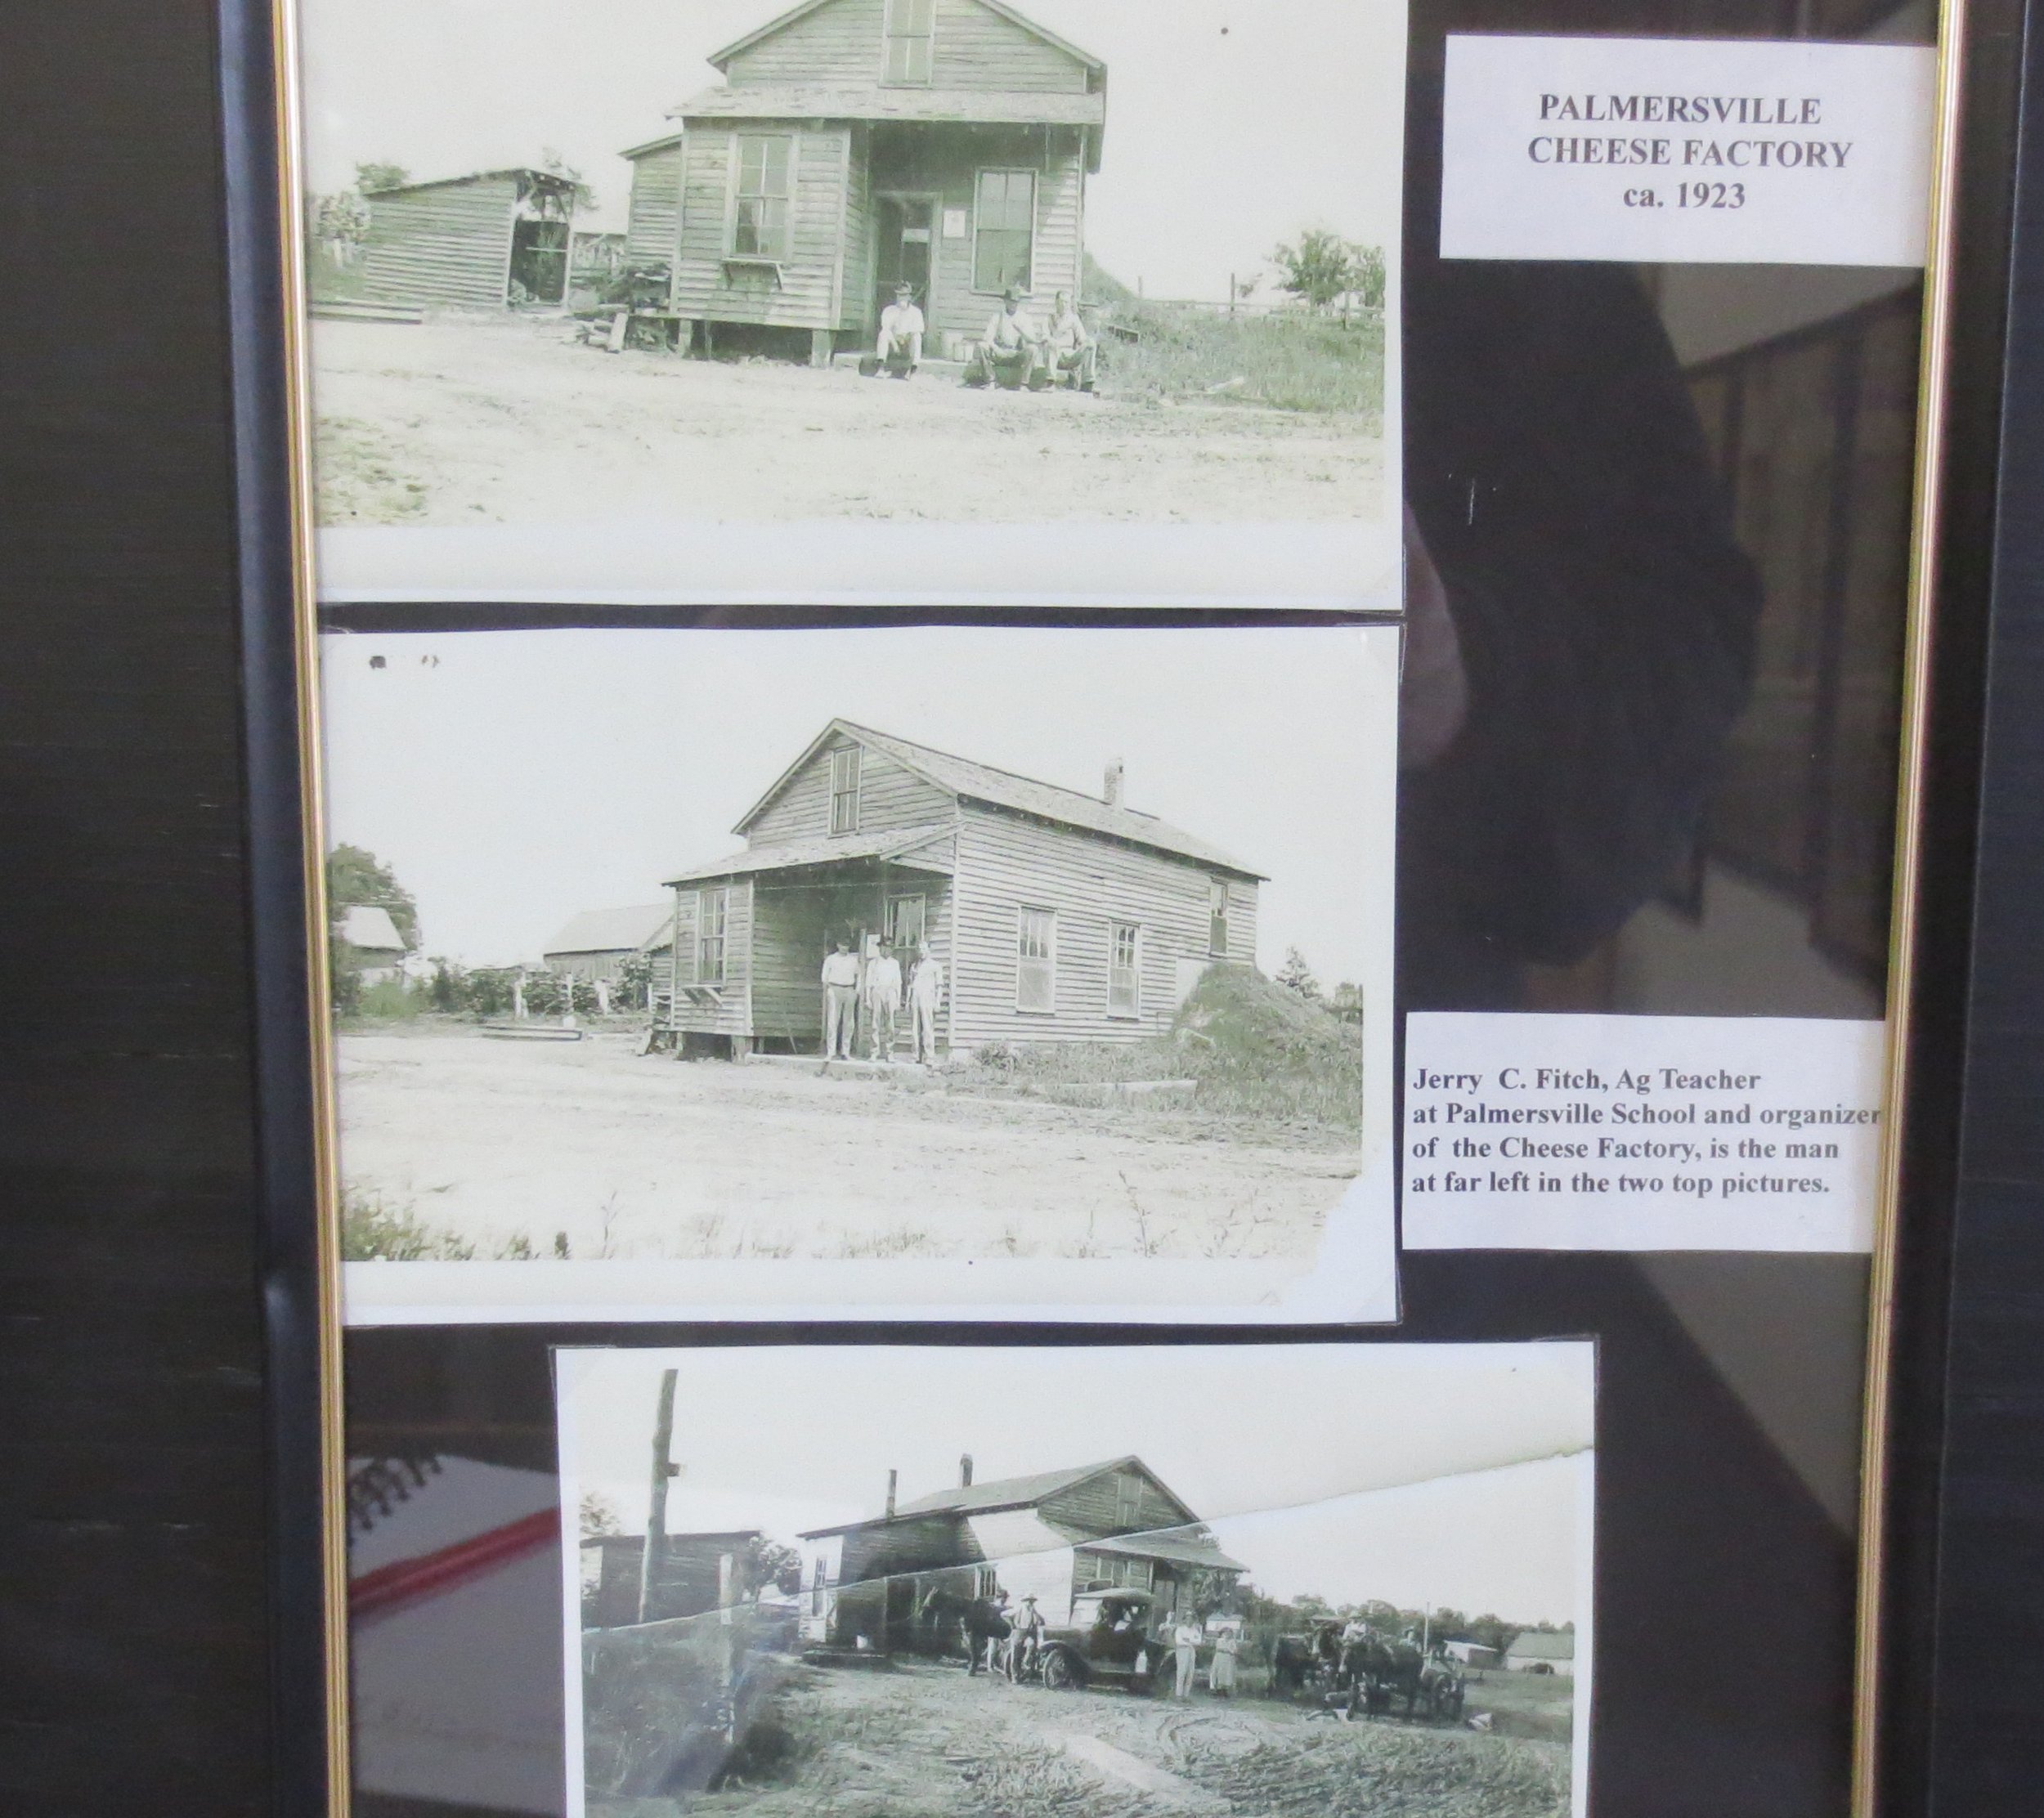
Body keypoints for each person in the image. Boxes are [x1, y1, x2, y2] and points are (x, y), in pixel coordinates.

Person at [963, 288, 1043, 389]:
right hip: (1000, 352)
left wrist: (1021, 331)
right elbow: (988, 337)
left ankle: (1023, 384)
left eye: (1015, 302)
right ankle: (991, 381)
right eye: (1011, 301)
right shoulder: (997, 316)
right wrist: (996, 349)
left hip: (1016, 354)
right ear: (1005, 301)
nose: (1013, 304)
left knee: (1033, 349)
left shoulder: (1024, 318)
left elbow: (1032, 340)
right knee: (981, 346)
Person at [1042, 291, 1096, 392]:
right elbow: (1044, 336)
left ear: (1070, 304)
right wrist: (1052, 341)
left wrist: (1086, 342)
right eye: (1061, 302)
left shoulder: (1074, 319)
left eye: (1066, 302)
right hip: (1055, 354)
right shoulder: (1049, 318)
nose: (1063, 305)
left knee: (1090, 344)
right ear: (1056, 302)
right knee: (1051, 344)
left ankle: (1087, 383)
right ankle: (1050, 383)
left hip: (1071, 355)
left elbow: (1082, 338)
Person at [870, 281, 924, 378]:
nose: (901, 298)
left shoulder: (916, 312)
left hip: (907, 344)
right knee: (883, 334)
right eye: (899, 295)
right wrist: (895, 346)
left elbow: (917, 330)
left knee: (917, 337)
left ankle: (912, 371)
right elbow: (886, 329)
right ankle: (881, 369)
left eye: (904, 295)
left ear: (909, 297)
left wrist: (905, 338)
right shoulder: (889, 310)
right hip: (893, 343)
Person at [861, 939, 903, 1061]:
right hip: (877, 991)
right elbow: (868, 982)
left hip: (890, 992)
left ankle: (890, 1052)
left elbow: (898, 982)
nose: (886, 950)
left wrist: (898, 999)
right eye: (884, 947)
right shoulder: (874, 963)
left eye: (889, 948)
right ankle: (874, 1052)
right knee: (875, 1022)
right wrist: (868, 998)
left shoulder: (894, 963)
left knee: (890, 1023)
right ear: (880, 949)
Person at [820, 937, 859, 1059]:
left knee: (849, 1022)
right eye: (842, 945)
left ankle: (845, 1052)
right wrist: (830, 989)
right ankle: (831, 1051)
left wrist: (856, 991)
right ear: (838, 945)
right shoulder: (831, 959)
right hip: (835, 988)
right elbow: (824, 977)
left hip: (849, 989)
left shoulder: (853, 960)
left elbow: (859, 975)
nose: (845, 948)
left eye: (847, 945)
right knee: (833, 1020)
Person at [908, 940, 944, 1063]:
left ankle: (929, 1056)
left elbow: (939, 986)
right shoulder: (914, 966)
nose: (922, 952)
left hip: (928, 997)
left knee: (928, 1027)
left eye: (924, 949)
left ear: (929, 950)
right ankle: (915, 1055)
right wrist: (908, 1001)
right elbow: (910, 985)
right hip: (915, 996)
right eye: (920, 949)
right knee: (914, 1028)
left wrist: (938, 1002)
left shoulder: (935, 965)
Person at [1008, 1594, 1044, 1681]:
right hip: (1019, 1632)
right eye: (1029, 1601)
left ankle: (1026, 1663)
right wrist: (1013, 1626)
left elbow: (1039, 1621)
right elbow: (1006, 1615)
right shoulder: (1019, 1608)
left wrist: (1035, 1613)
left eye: (1032, 1601)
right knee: (1015, 1656)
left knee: (1031, 1645)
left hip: (1028, 1633)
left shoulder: (1032, 1610)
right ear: (1025, 1601)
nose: (1030, 1603)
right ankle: (1015, 1677)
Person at [1172, 1615, 1202, 1699]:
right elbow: (1179, 1641)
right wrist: (1190, 1643)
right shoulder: (1180, 1629)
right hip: (1182, 1651)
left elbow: (1199, 1641)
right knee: (1182, 1672)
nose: (1189, 1621)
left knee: (1190, 1673)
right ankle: (1179, 1694)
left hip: (1192, 1651)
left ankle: (1186, 1695)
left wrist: (1188, 1640)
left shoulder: (1195, 1630)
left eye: (1191, 1619)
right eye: (1187, 1619)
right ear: (1185, 1620)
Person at [1209, 1624, 1239, 1698]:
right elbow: (1219, 1648)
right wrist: (1227, 1650)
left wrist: (1229, 1650)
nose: (1228, 1634)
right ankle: (1217, 1689)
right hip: (1220, 1658)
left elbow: (1235, 1650)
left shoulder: (1233, 1641)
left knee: (1228, 1673)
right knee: (1218, 1672)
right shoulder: (1220, 1640)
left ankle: (1225, 1689)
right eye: (1226, 1632)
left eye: (1229, 1633)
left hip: (1228, 1659)